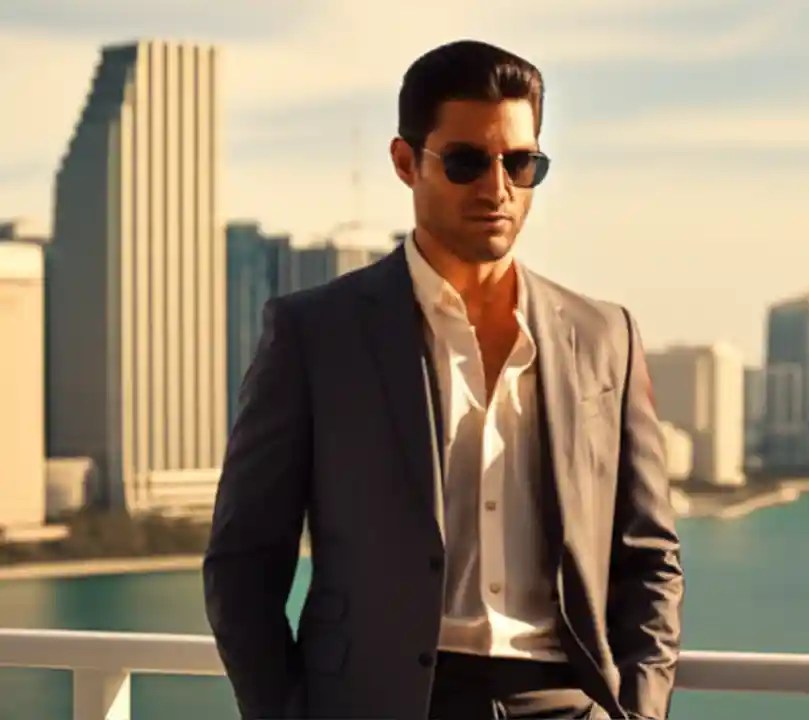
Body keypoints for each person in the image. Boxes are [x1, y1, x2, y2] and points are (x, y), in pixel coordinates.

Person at [203, 39, 684, 720]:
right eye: (466, 162)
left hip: (564, 701)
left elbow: (649, 556)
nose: (497, 188)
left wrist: (639, 711)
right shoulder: (315, 334)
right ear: (406, 163)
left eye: (521, 163)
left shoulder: (606, 336)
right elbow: (243, 562)